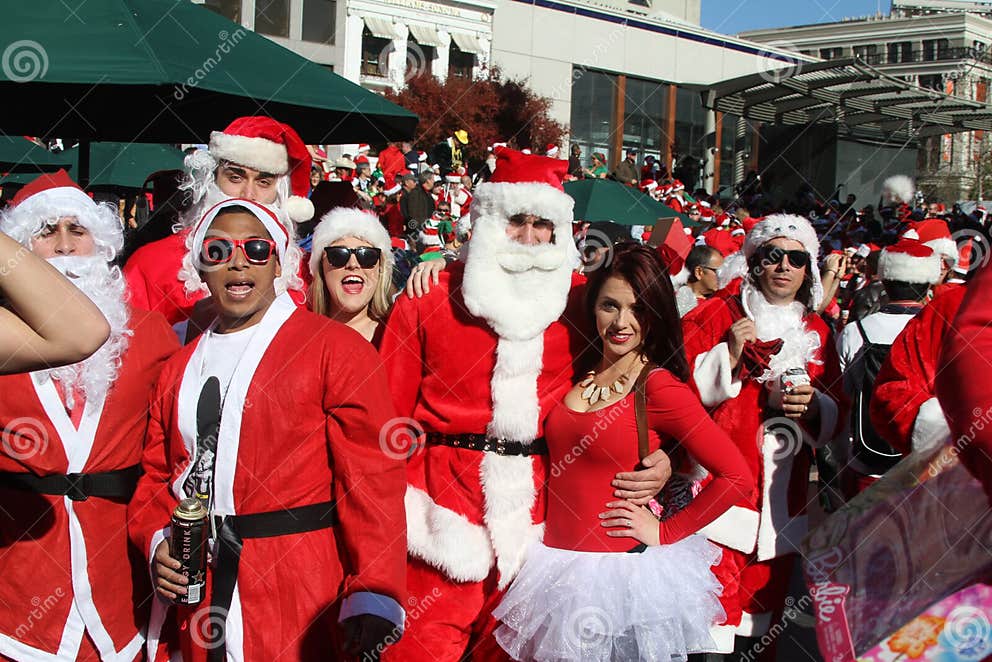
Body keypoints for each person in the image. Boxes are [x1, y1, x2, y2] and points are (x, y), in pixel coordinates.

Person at [380, 148, 671, 662]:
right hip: (439, 518)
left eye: (543, 224)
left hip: (544, 525)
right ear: (488, 221)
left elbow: (647, 382)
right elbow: (385, 417)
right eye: (517, 220)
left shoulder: (585, 304)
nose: (530, 237)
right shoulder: (429, 298)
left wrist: (661, 452)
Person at [129, 199, 406, 661]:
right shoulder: (178, 367)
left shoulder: (336, 350)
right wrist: (159, 540)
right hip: (201, 592)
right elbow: (158, 475)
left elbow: (373, 483)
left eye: (256, 248)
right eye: (218, 250)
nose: (238, 261)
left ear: (279, 262)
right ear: (201, 266)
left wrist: (374, 590)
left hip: (300, 589)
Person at [492, 243, 752, 661]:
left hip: (618, 578)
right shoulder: (577, 369)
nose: (621, 322)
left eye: (638, 309)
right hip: (551, 568)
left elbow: (737, 477)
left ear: (656, 313)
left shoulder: (659, 386)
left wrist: (665, 532)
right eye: (609, 306)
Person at [0, 169, 178, 660]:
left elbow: (171, 456)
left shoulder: (152, 333)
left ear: (100, 244)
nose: (64, 245)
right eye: (46, 232)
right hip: (19, 587)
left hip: (121, 585)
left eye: (77, 230)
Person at [682, 214, 842, 656]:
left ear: (808, 271)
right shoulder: (718, 313)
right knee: (707, 627)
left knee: (761, 628)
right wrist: (729, 356)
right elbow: (673, 389)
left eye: (797, 259)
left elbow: (839, 407)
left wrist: (816, 408)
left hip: (781, 502)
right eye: (773, 255)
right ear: (754, 262)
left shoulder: (819, 332)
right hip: (716, 494)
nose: (784, 266)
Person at [123, 116, 314, 326]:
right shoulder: (151, 264)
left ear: (281, 192)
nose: (248, 195)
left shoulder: (307, 272)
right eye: (235, 177)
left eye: (263, 182)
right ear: (211, 180)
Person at [834, 239, 941, 497]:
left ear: (884, 280)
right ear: (928, 283)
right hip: (928, 469)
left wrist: (839, 463)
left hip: (867, 464)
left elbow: (842, 400)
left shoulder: (855, 331)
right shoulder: (941, 331)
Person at [308, 207, 396, 345]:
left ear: (381, 268)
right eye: (338, 255)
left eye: (367, 256)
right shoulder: (301, 335)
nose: (353, 264)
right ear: (321, 268)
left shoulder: (396, 333)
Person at [676, 244, 724, 317]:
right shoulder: (672, 302)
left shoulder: (719, 303)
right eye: (718, 272)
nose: (722, 276)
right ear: (698, 272)